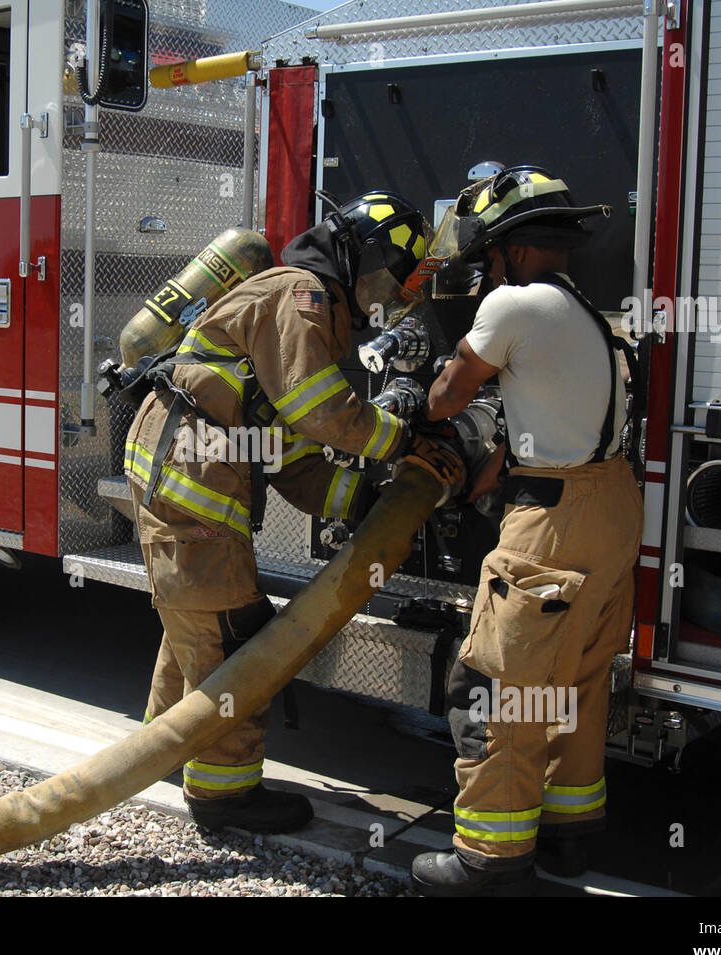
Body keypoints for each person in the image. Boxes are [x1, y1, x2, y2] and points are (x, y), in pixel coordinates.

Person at [125, 191, 466, 834]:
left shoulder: (310, 312)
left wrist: (366, 501)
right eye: (391, 280)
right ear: (362, 256)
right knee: (232, 636)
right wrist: (402, 440)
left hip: (187, 469)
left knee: (195, 622)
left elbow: (290, 451)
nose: (388, 300)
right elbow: (323, 411)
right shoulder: (301, 295)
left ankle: (159, 750)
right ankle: (223, 794)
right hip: (192, 478)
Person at [410, 166, 644, 895]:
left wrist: (413, 421)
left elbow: (448, 397)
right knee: (575, 682)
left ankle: (489, 859)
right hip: (613, 507)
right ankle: (568, 838)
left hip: (555, 519)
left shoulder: (512, 305)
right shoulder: (590, 317)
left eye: (486, 258)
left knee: (499, 687)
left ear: (507, 250)